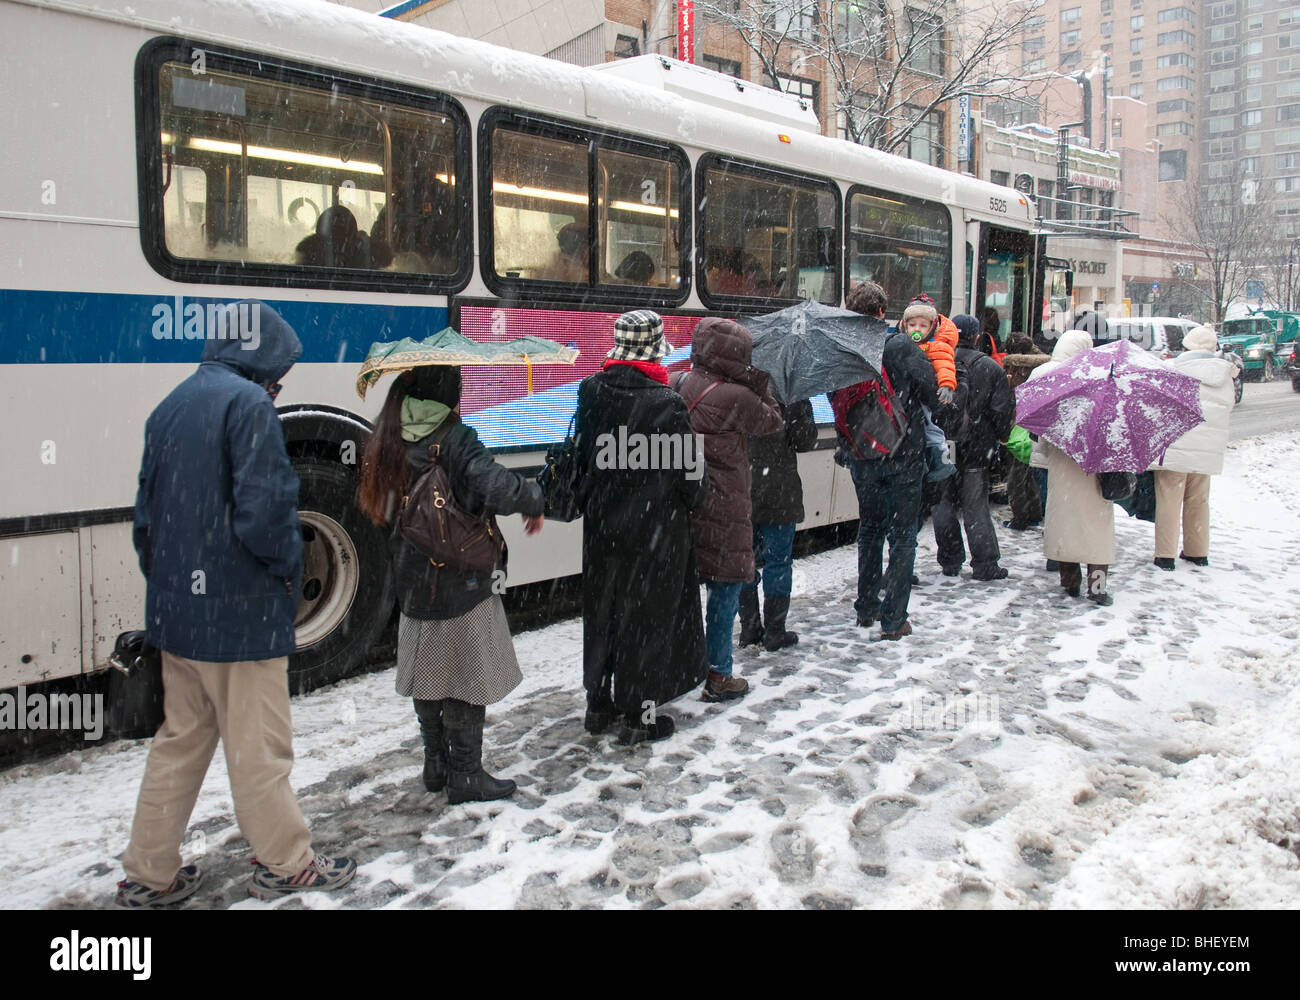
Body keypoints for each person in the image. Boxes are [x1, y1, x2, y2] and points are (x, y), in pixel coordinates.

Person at [118, 301, 355, 907]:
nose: (277, 390)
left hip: (179, 618)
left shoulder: (170, 406)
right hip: (238, 615)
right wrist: (287, 569)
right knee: (259, 750)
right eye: (278, 377)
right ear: (259, 362)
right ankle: (287, 864)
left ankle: (150, 874)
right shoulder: (248, 406)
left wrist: (173, 587)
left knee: (180, 743)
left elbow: (146, 522)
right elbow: (267, 514)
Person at [358, 365, 544, 804]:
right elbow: (495, 486)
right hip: (460, 576)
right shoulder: (454, 438)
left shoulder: (386, 432)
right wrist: (533, 497)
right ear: (448, 396)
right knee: (464, 678)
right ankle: (465, 772)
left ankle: (435, 763)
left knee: (429, 674)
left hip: (412, 577)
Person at [575, 311, 709, 743]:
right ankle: (641, 716)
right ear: (654, 349)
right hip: (656, 533)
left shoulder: (591, 390)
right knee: (646, 622)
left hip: (602, 530)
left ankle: (599, 705)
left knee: (604, 613)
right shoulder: (666, 402)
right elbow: (691, 476)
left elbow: (582, 457)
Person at [675, 318, 784, 698]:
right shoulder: (736, 397)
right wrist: (758, 382)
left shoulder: (679, 383)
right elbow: (773, 420)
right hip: (725, 505)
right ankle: (719, 673)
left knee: (690, 588)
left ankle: (684, 666)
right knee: (725, 587)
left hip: (687, 503)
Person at [838, 280, 943, 639]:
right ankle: (894, 619)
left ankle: (866, 608)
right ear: (883, 312)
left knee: (869, 530)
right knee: (902, 537)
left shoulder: (843, 348)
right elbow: (932, 392)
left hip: (862, 455)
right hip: (903, 453)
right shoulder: (899, 346)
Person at [1025, 328, 1117, 605]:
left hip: (1062, 464)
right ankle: (1098, 587)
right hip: (1096, 466)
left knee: (1063, 524)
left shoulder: (1051, 379)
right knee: (1097, 531)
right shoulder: (1103, 380)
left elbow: (1038, 431)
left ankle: (1070, 582)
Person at [931, 314, 1016, 580]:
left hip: (944, 444)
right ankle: (984, 563)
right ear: (978, 337)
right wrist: (1001, 437)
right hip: (977, 447)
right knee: (975, 505)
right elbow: (1001, 412)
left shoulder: (938, 363)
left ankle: (950, 559)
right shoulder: (991, 368)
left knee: (942, 502)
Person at [1150, 325, 1236, 570]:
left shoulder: (1174, 370)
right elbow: (1226, 407)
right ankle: (1197, 552)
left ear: (1187, 346)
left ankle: (1164, 556)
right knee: (1199, 501)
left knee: (1169, 501)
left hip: (1176, 447)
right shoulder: (1225, 375)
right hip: (1207, 450)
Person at [738, 398, 818, 651]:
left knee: (744, 562)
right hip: (780, 492)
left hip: (742, 488)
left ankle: (749, 629)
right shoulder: (790, 392)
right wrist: (800, 412)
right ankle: (775, 631)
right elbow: (805, 441)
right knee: (779, 562)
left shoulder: (737, 387)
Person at [899, 296, 958, 483]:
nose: (917, 329)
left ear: (932, 328)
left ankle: (942, 461)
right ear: (904, 326)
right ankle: (926, 461)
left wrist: (947, 385)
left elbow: (946, 366)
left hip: (926, 395)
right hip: (912, 395)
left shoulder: (937, 347)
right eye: (912, 325)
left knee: (930, 428)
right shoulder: (903, 346)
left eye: (923, 326)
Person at [1002, 332, 1050, 530]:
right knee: (1031, 474)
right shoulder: (1045, 364)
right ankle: (1035, 513)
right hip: (1038, 425)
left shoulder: (1019, 367)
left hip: (1020, 424)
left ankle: (1020, 518)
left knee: (1017, 478)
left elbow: (1011, 395)